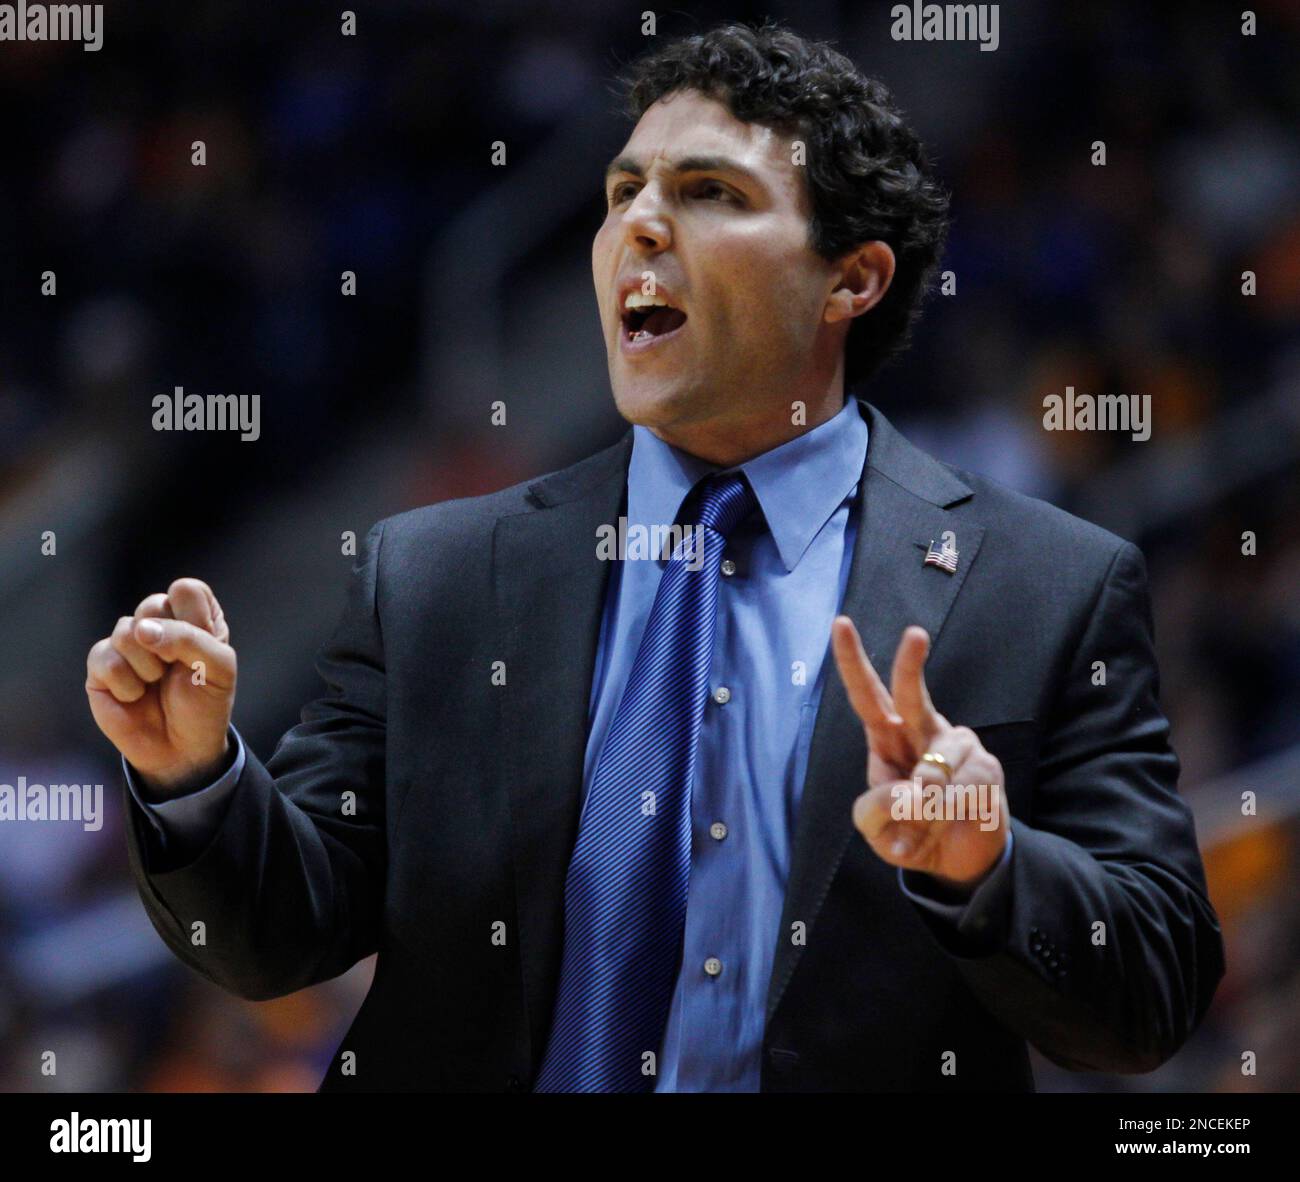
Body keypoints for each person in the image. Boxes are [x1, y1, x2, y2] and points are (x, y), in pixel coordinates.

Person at [85, 20, 1223, 1092]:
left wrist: (990, 865)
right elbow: (279, 936)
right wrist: (195, 781)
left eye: (709, 193)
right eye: (622, 191)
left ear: (851, 278)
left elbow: (1152, 991)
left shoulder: (1047, 586)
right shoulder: (433, 574)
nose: (637, 225)